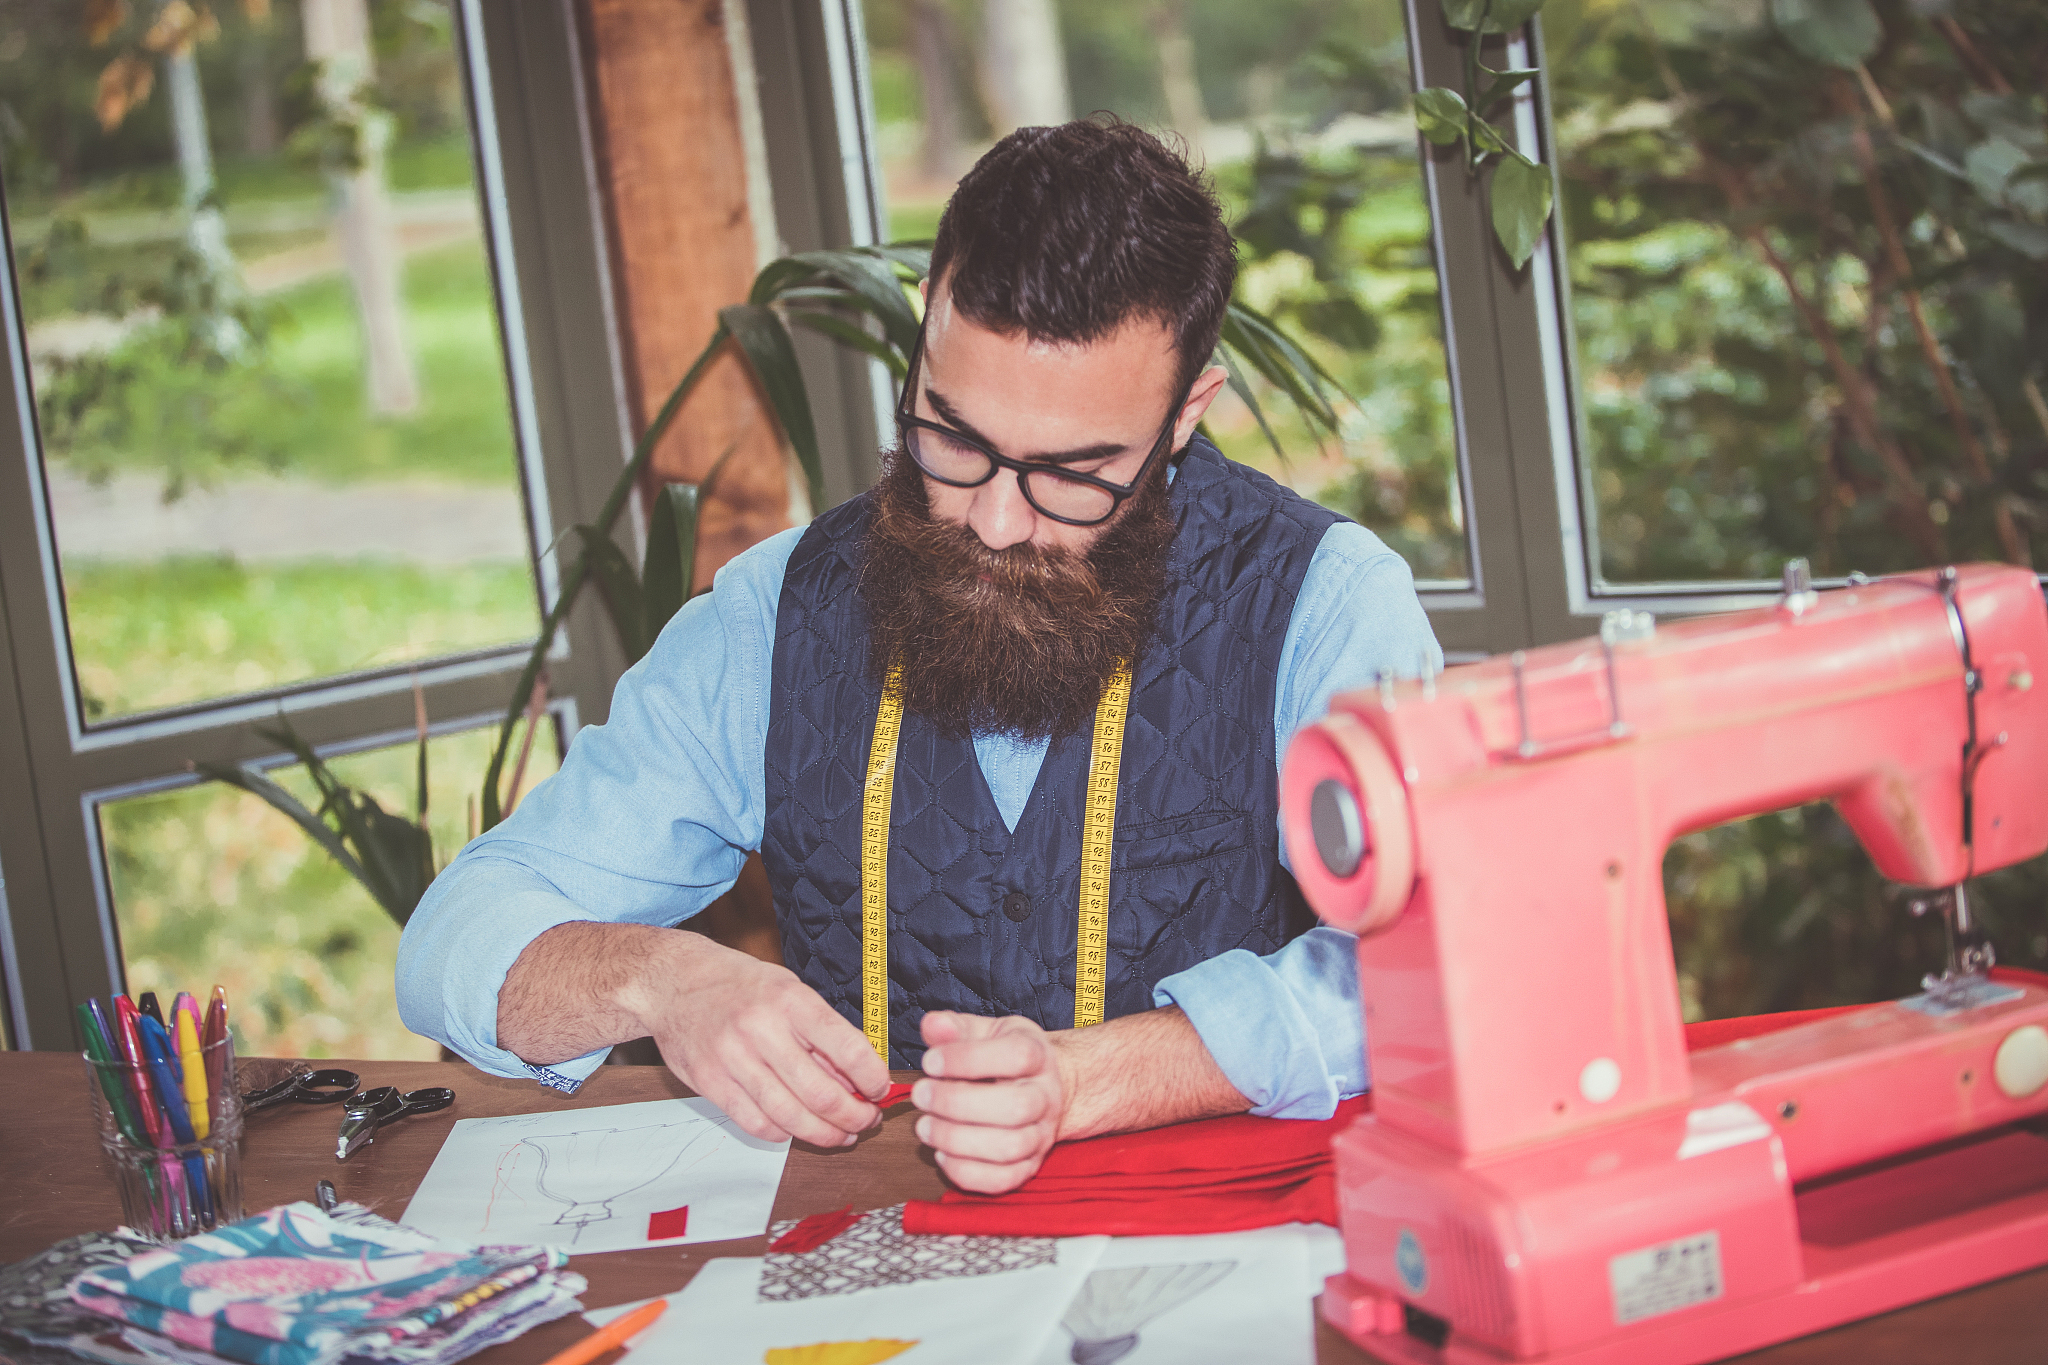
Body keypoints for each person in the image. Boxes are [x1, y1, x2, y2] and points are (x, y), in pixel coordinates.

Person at [397, 118, 1439, 1195]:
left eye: (1073, 474)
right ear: (920, 347)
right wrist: (661, 981)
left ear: (1184, 416)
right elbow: (454, 938)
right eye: (952, 437)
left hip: (1218, 1248)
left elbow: (1433, 961)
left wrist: (1106, 1076)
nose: (991, 520)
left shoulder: (1322, 601)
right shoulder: (771, 614)